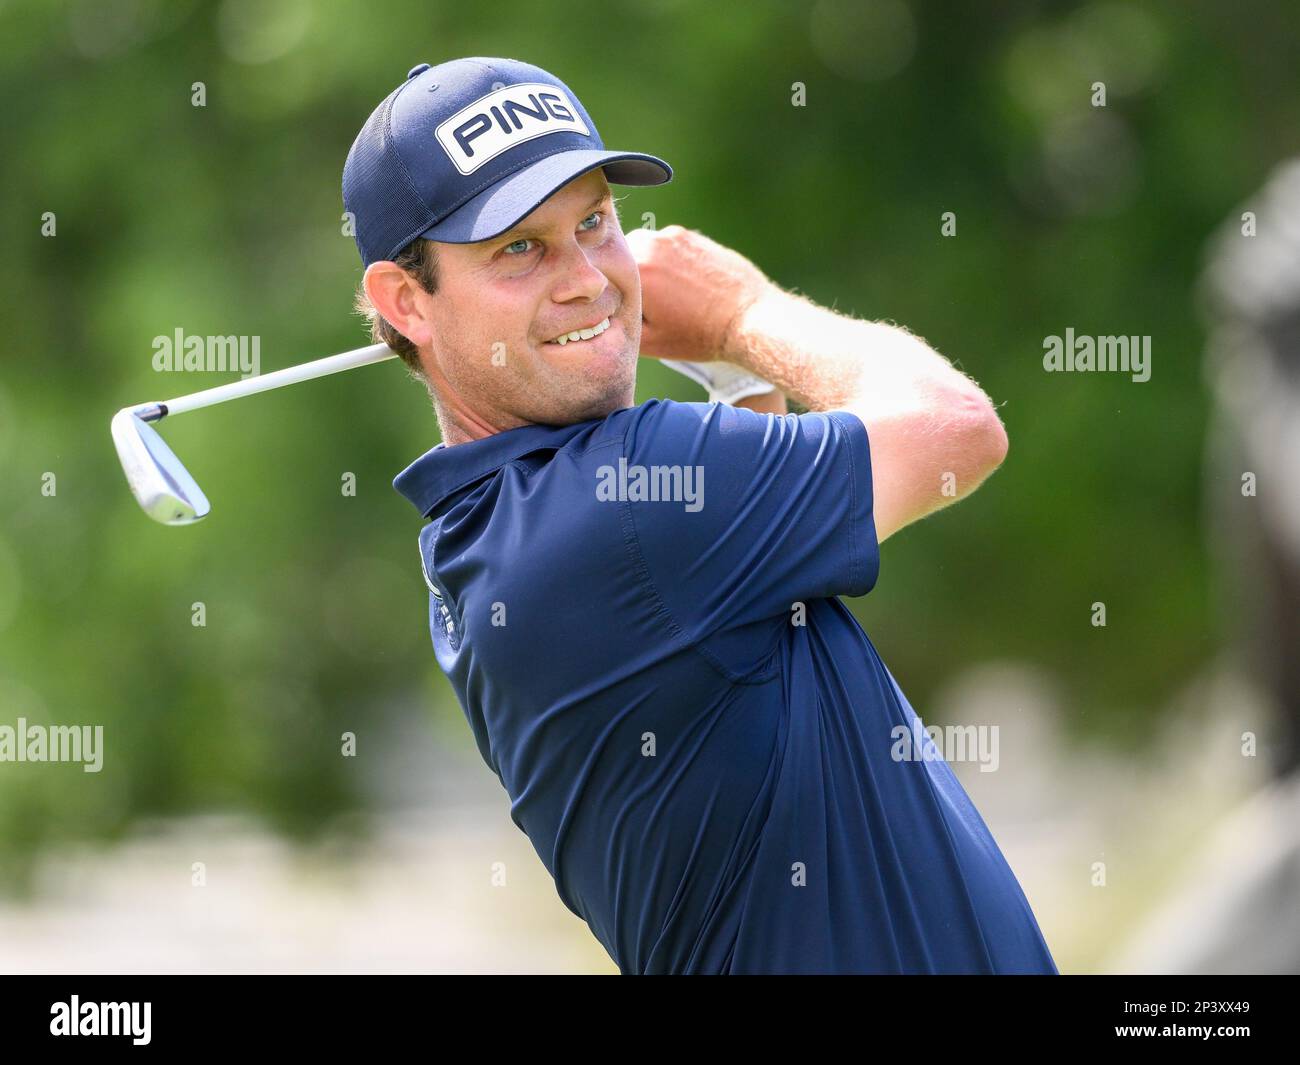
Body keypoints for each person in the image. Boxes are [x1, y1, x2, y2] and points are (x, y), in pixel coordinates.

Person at [343, 55, 1058, 974]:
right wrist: (741, 312)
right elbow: (956, 429)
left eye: (595, 221)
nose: (587, 279)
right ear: (407, 303)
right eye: (519, 247)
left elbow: (747, 590)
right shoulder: (624, 499)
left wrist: (733, 370)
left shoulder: (493, 534)